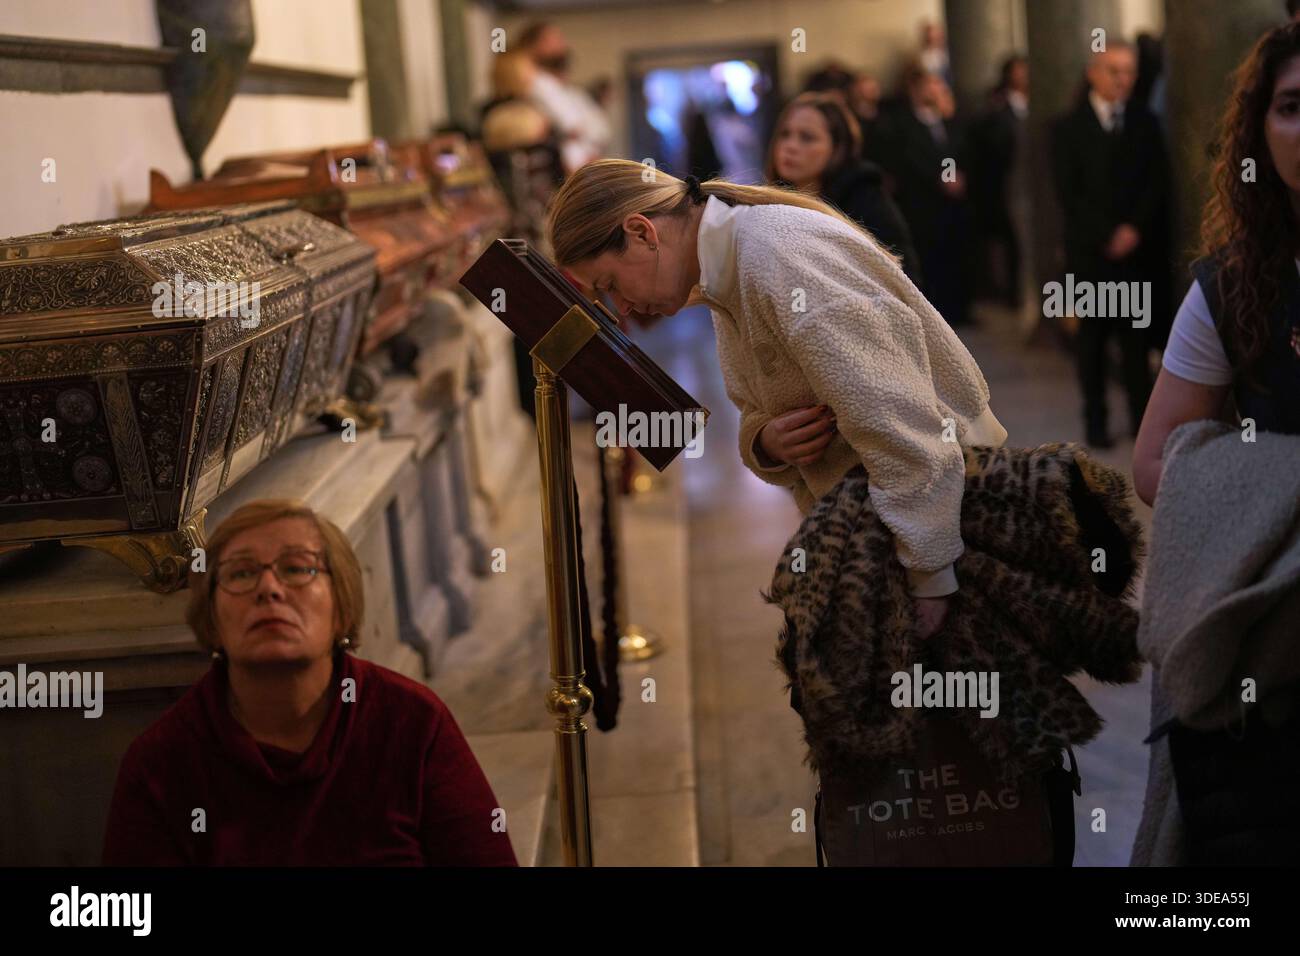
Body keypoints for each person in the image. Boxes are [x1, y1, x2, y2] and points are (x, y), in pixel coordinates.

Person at [547, 159, 1008, 637]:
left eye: (610, 285)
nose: (620, 307)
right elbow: (755, 406)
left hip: (950, 522)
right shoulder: (721, 274)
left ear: (642, 233)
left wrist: (930, 579)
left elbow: (900, 422)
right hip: (889, 527)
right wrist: (766, 442)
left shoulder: (776, 257)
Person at [103, 500, 518, 866]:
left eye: (297, 568)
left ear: (342, 606)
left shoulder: (412, 722)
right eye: (242, 573)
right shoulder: (161, 763)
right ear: (211, 620)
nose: (269, 589)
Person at [1131, 22, 1300, 865]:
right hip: (1276, 637)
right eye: (1294, 107)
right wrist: (1281, 486)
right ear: (1259, 135)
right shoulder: (1232, 288)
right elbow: (1158, 461)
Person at [1051, 41, 1168, 449]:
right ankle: (1096, 421)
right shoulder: (1067, 127)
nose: (1123, 79)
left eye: (1129, 71)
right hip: (1090, 253)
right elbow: (1069, 195)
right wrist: (1107, 235)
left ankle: (1141, 419)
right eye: (1113, 70)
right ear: (1093, 73)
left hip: (1134, 252)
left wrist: (1133, 229)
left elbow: (1156, 183)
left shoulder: (1145, 121)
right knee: (1093, 341)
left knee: (1135, 340)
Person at [767, 91, 920, 284]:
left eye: (807, 137)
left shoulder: (866, 200)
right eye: (785, 134)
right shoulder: (772, 207)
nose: (790, 146)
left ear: (837, 148)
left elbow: (904, 280)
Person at [875, 62, 973, 325]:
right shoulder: (902, 124)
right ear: (916, 91)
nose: (936, 89)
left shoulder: (949, 121)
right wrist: (938, 178)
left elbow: (958, 152)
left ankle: (959, 310)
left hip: (952, 204)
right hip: (921, 203)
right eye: (931, 85)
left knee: (955, 256)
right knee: (927, 259)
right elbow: (908, 159)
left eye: (939, 85)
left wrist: (954, 176)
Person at [969, 55, 1029, 309]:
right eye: (1019, 71)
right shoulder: (997, 109)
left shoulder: (1036, 102)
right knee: (1014, 241)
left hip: (1033, 182)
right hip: (1010, 183)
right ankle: (1013, 295)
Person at [519, 21, 610, 174]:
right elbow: (570, 126)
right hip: (562, 168)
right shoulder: (536, 83)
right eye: (554, 40)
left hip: (582, 161)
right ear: (535, 45)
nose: (562, 45)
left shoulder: (562, 88)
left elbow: (597, 131)